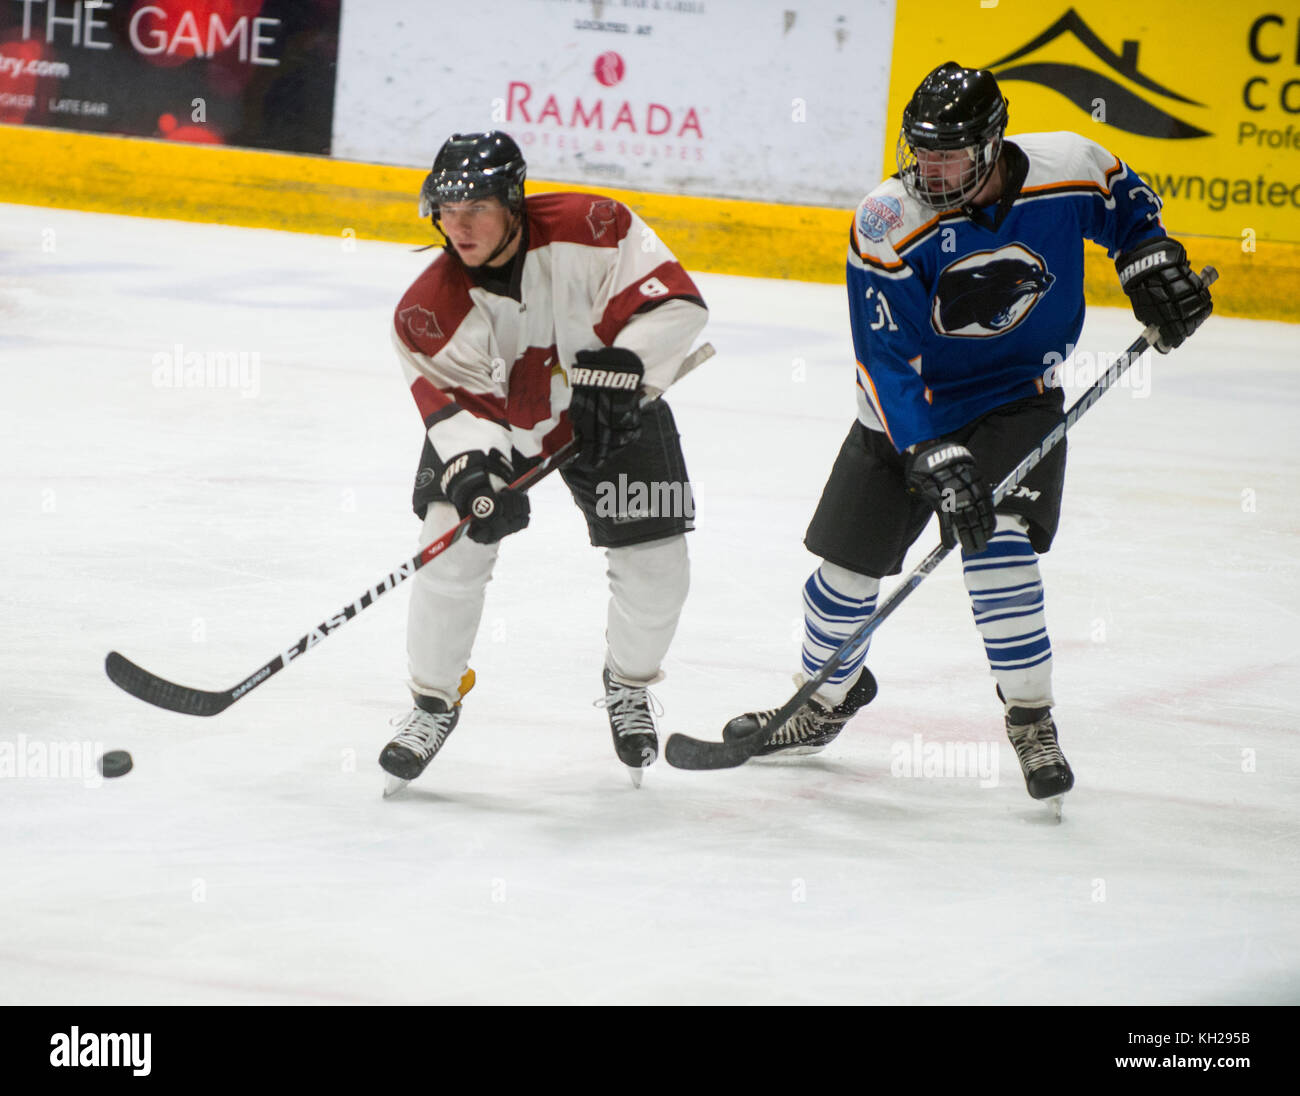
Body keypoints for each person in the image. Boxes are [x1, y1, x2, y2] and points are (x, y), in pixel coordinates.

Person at [729, 62, 1212, 802]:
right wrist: (927, 448)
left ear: (993, 143)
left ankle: (1030, 718)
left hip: (1014, 399)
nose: (931, 165)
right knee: (844, 579)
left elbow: (1129, 209)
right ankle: (824, 701)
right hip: (905, 410)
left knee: (998, 551)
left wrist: (1151, 260)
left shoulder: (1072, 166)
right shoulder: (888, 219)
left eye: (949, 152)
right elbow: (884, 359)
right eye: (922, 148)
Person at [380, 131, 708, 790]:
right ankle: (432, 701)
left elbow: (677, 302)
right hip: (502, 420)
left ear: (513, 203)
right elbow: (456, 409)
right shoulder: (425, 310)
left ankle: (629, 683)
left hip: (614, 413)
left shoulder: (596, 225)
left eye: (476, 207)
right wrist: (476, 471)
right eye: (446, 209)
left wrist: (625, 369)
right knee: (449, 548)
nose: (458, 224)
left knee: (658, 568)